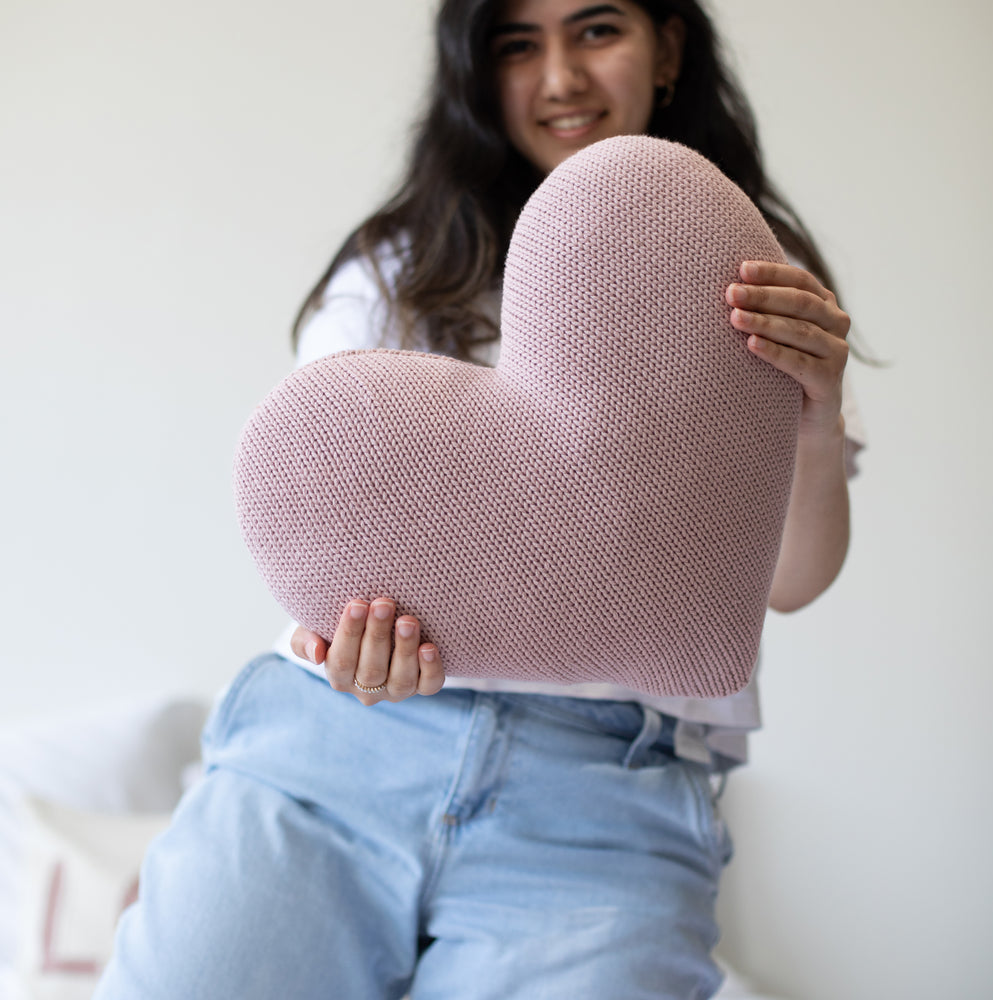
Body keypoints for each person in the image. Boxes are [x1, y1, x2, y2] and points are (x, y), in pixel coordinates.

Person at [95, 1, 864, 998]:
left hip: (609, 796)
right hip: (339, 750)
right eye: (516, 44)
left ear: (668, 47)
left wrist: (813, 414)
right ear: (475, 69)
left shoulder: (752, 278)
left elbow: (789, 584)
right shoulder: (393, 268)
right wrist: (342, 648)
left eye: (597, 31)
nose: (559, 79)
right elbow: (314, 513)